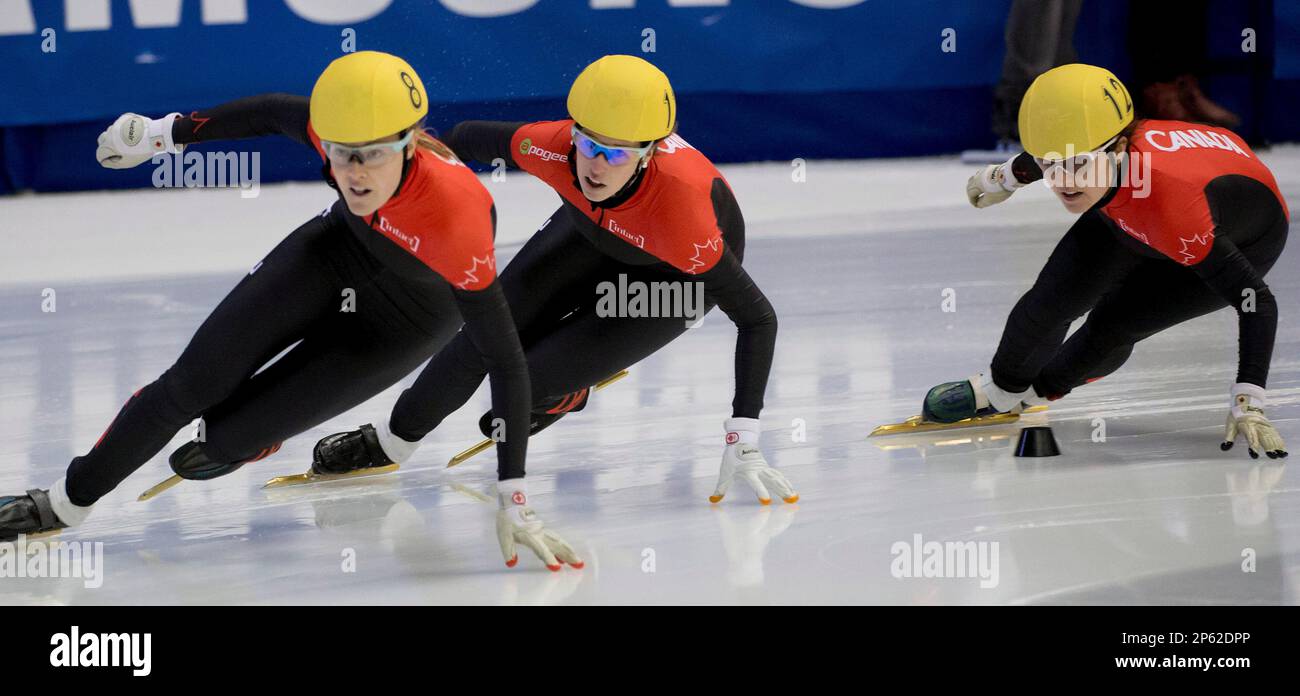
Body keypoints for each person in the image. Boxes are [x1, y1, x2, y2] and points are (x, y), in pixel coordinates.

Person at [0, 52, 561, 562]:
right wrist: (161, 135)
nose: (355, 173)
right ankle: (65, 502)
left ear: (410, 143)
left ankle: (247, 438)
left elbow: (505, 360)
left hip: (410, 318)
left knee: (224, 441)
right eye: (342, 155)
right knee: (190, 385)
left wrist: (514, 495)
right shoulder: (336, 132)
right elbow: (268, 112)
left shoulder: (458, 220)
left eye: (373, 156)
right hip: (336, 253)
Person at [310, 55, 799, 551]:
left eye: (614, 154)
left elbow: (758, 319)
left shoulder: (685, 216)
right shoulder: (548, 146)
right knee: (482, 338)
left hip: (676, 269)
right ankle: (391, 442)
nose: (594, 164)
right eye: (587, 144)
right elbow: (460, 137)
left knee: (529, 379)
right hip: (592, 231)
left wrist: (744, 433)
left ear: (650, 153)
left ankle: (566, 391)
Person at [945, 63, 1288, 459]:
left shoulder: (1172, 210)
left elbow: (1256, 301)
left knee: (1116, 323)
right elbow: (1057, 150)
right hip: (1139, 199)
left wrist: (1249, 398)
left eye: (1075, 164)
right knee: (1052, 300)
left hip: (1239, 234)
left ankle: (1037, 392)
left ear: (1120, 148)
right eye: (1050, 165)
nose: (1061, 181)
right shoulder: (1097, 155)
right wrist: (1003, 178)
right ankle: (1002, 390)